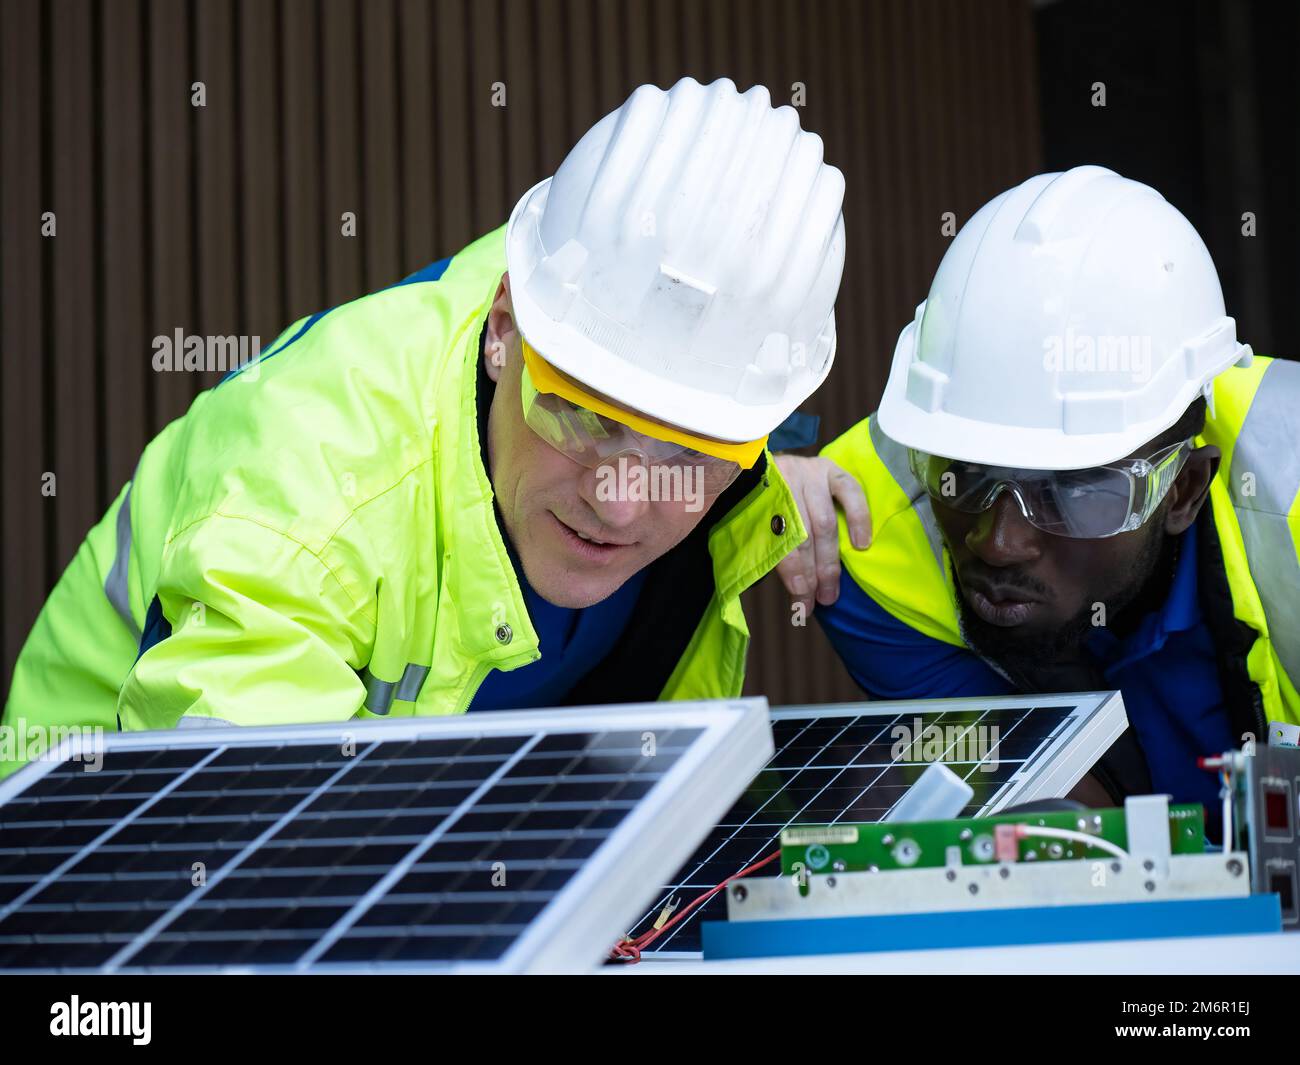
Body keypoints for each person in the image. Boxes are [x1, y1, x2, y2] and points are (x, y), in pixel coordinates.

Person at [1, 77, 854, 776]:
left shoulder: (687, 402)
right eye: (585, 418)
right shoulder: (306, 490)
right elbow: (228, 861)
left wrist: (770, 485)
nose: (623, 504)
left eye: (691, 454)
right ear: (504, 330)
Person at [815, 166, 1299, 825]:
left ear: (1183, 487)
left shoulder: (1288, 504)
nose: (998, 541)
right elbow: (1065, 835)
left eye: (1071, 492)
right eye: (965, 474)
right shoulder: (865, 536)